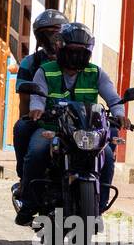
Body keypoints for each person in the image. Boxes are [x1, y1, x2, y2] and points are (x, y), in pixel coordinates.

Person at [16, 22, 126, 225]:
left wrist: (119, 113)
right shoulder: (45, 71)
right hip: (52, 130)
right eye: (72, 50)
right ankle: (29, 202)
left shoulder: (96, 73)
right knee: (37, 152)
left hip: (87, 132)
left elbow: (113, 97)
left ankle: (99, 206)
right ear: (61, 49)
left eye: (81, 51)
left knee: (108, 156)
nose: (76, 55)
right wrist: (37, 108)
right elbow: (37, 97)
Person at [12, 9, 68, 182]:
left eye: (57, 33)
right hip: (43, 120)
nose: (53, 39)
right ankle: (25, 180)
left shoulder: (75, 59)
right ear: (39, 38)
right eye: (47, 35)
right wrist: (28, 118)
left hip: (74, 122)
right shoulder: (31, 63)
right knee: (22, 129)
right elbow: (24, 100)